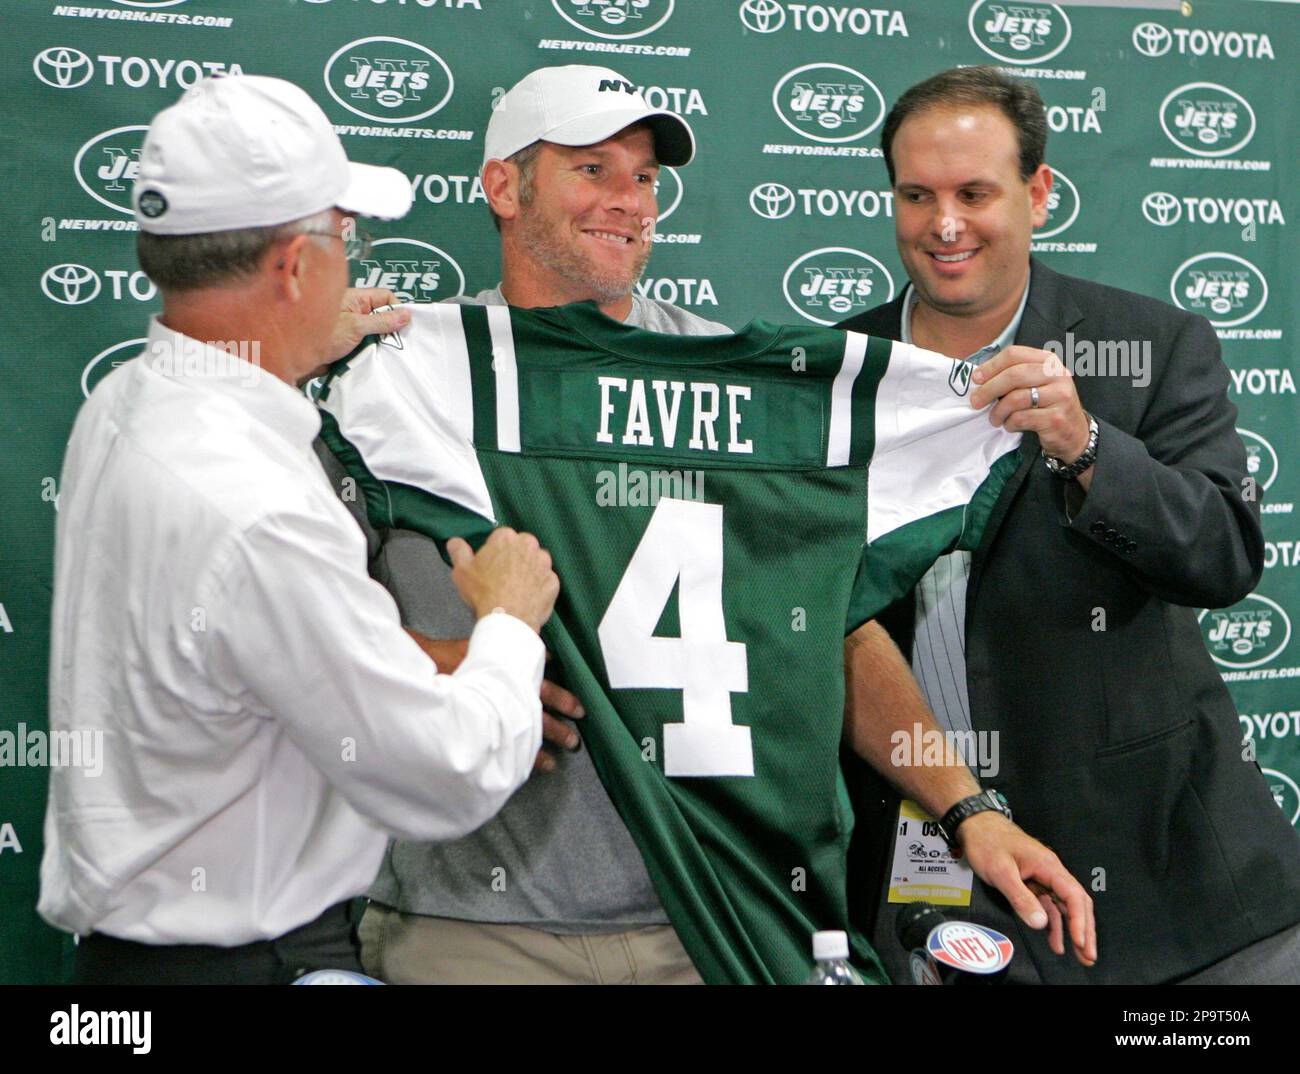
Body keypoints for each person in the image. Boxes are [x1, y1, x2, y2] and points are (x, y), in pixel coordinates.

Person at [331, 64, 1094, 985]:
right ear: (503, 185)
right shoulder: (396, 374)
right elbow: (278, 625)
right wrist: (444, 667)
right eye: (591, 169)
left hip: (714, 920)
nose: (627, 200)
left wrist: (968, 807)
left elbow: (822, 631)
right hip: (478, 927)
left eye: (644, 177)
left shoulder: (743, 385)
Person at [37, 75, 561, 985]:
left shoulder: (126, 405)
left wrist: (297, 342)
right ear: (290, 267)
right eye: (344, 240)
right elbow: (447, 770)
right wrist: (508, 625)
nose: (352, 264)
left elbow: (234, 651)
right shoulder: (257, 502)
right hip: (252, 964)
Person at [839, 65, 1300, 984]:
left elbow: (1222, 558)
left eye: (975, 193)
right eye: (916, 194)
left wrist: (1088, 446)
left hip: (1176, 886)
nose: (945, 224)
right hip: (940, 862)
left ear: (1038, 192)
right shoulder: (840, 374)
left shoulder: (1153, 345)